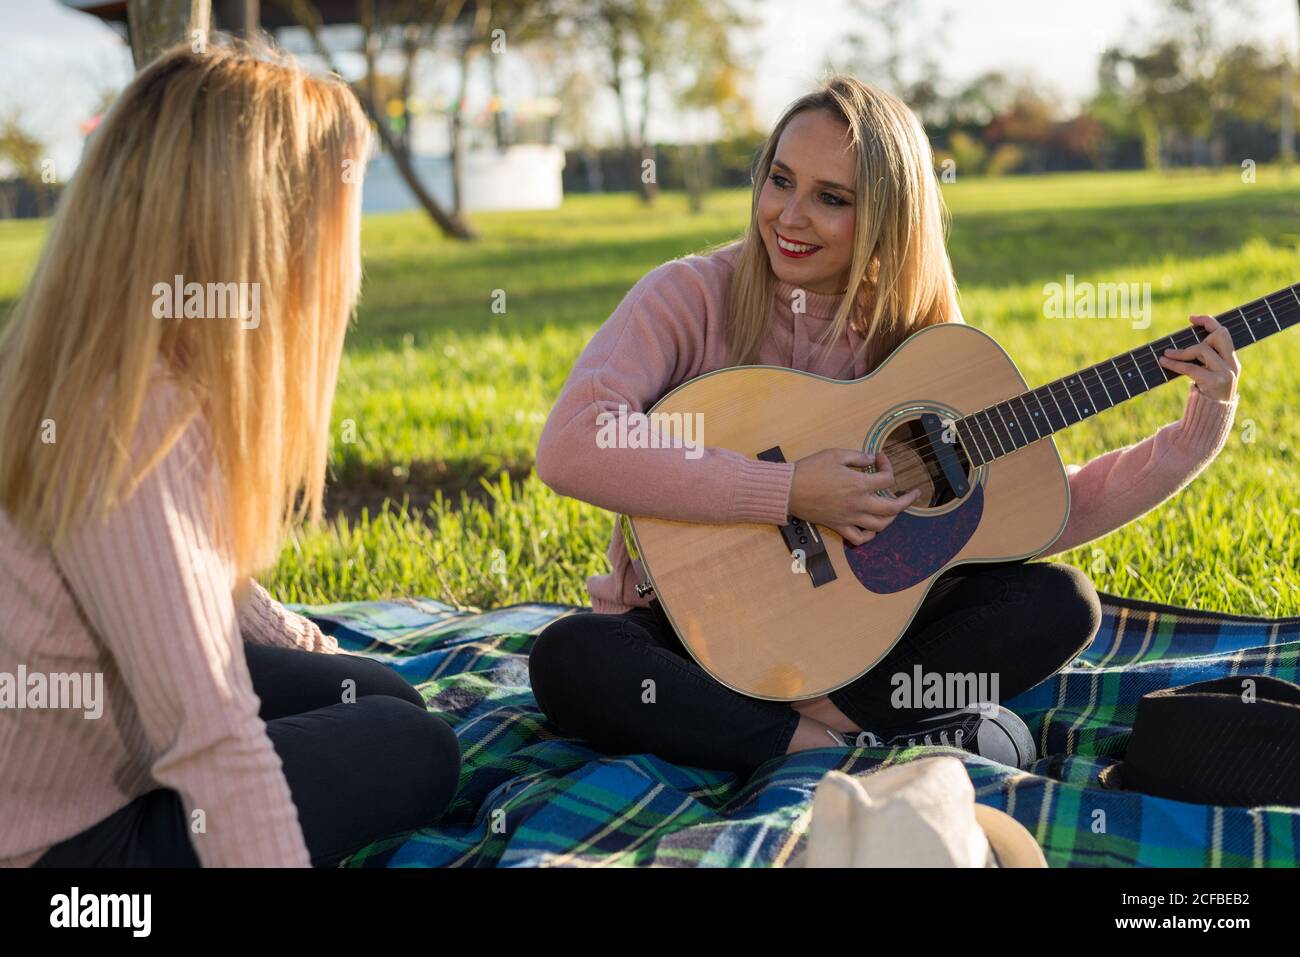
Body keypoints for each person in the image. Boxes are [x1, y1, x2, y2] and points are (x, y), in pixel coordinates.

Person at [528, 75, 1240, 775]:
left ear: (889, 220)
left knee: (1058, 601)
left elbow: (1034, 511)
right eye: (779, 180)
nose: (788, 215)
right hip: (688, 634)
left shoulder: (923, 343)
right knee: (572, 658)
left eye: (831, 198)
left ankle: (800, 727)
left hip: (857, 646)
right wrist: (785, 490)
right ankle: (841, 745)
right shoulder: (688, 295)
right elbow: (572, 444)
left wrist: (1191, 436)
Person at [0, 42, 461, 867]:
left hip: (79, 737)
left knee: (377, 689)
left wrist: (312, 648)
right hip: (62, 847)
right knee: (412, 744)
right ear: (262, 234)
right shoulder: (137, 422)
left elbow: (189, 573)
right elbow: (213, 741)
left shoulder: (83, 370)